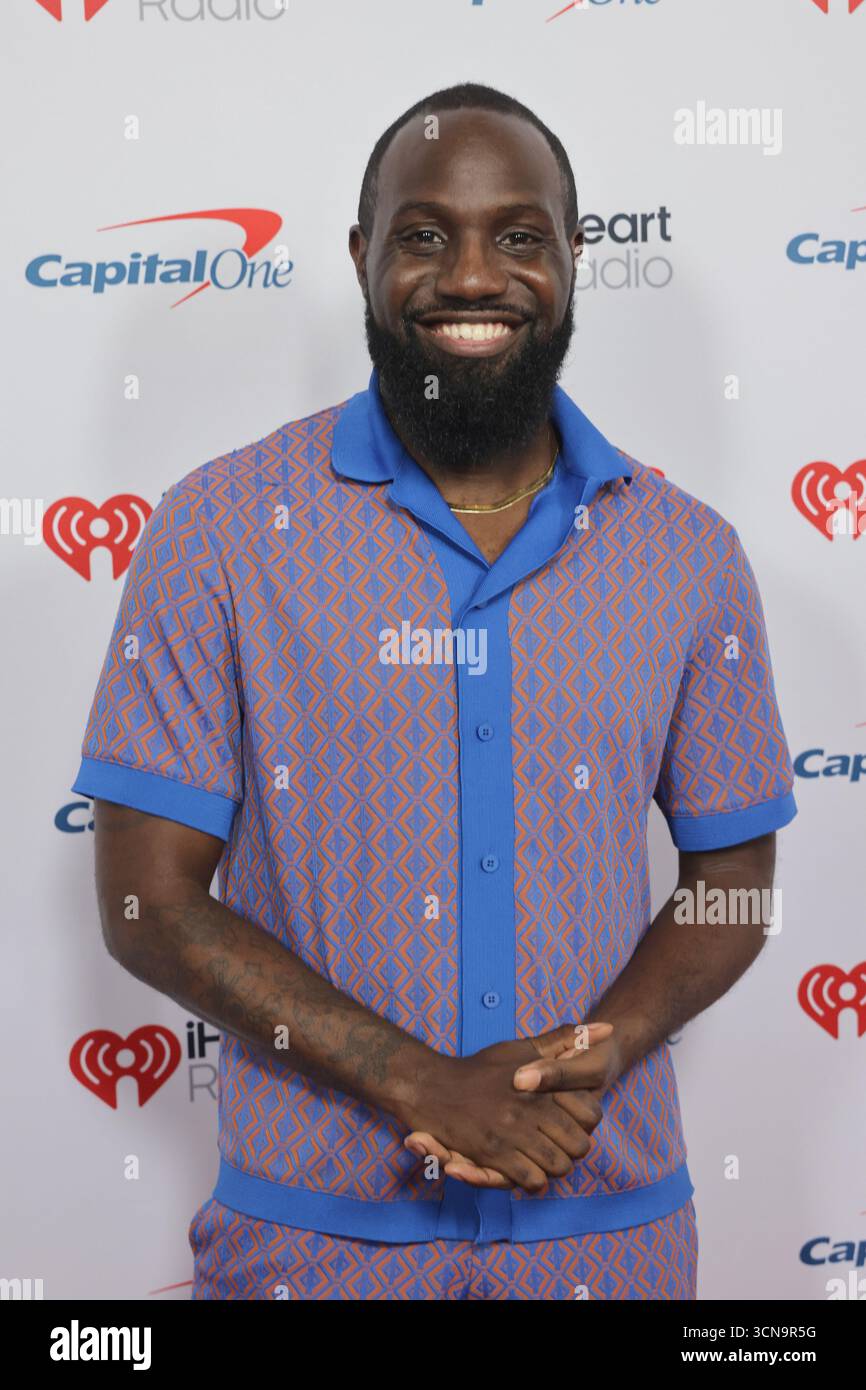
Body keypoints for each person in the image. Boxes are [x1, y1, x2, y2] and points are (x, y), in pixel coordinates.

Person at [71, 82, 797, 1301]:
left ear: (576, 261)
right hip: (307, 1245)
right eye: (424, 234)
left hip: (609, 1240)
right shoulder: (222, 530)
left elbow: (734, 883)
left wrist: (597, 1050)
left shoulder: (688, 552)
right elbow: (146, 902)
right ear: (362, 259)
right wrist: (421, 1080)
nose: (473, 275)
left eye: (519, 235)